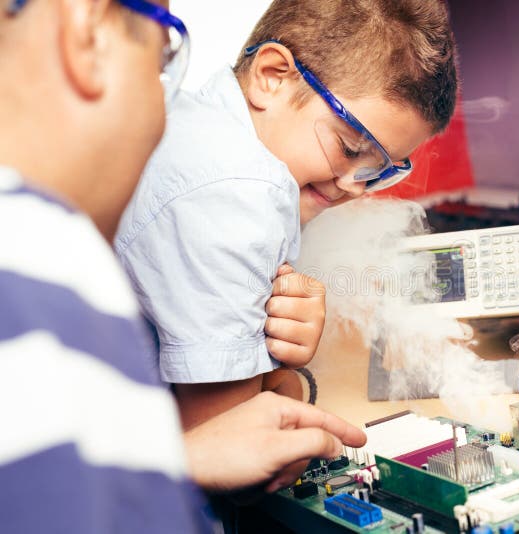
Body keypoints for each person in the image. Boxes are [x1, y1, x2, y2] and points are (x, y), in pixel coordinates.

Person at [0, 0, 366, 531]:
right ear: (89, 30)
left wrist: (181, 458)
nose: (166, 111)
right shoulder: (41, 272)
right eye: (162, 59)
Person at [114, 0, 460, 429]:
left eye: (379, 171)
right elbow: (234, 444)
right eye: (350, 148)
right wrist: (289, 383)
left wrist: (273, 363)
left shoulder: (190, 124)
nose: (354, 186)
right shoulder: (242, 191)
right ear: (272, 76)